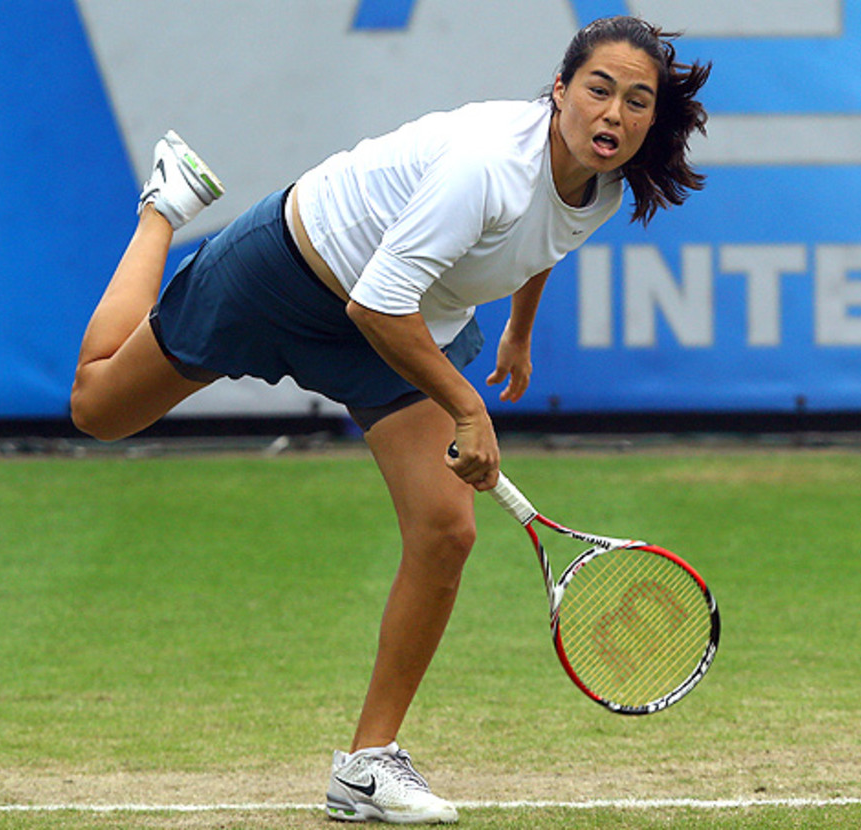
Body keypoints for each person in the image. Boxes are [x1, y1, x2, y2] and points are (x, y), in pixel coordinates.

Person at [70, 14, 709, 825]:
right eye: (599, 90)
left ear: (653, 117)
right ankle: (165, 208)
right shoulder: (485, 167)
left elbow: (545, 238)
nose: (614, 114)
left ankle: (365, 766)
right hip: (293, 271)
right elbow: (374, 304)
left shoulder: (605, 187)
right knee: (98, 409)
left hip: (401, 317)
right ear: (559, 91)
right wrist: (467, 405)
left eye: (636, 101)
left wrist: (518, 329)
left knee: (447, 531)